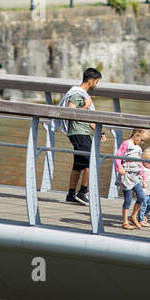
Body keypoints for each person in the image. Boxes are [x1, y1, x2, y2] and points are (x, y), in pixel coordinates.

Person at [62, 67, 106, 205]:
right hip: (78, 132)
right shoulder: (77, 94)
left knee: (79, 165)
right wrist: (86, 106)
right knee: (91, 161)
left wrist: (99, 132)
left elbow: (88, 120)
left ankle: (71, 194)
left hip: (83, 132)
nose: (96, 85)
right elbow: (70, 112)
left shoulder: (84, 95)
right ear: (91, 81)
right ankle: (82, 192)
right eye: (96, 82)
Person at [114, 128, 150, 229]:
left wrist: (143, 178)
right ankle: (125, 221)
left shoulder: (138, 148)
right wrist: (119, 167)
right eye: (142, 140)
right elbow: (118, 156)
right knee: (128, 199)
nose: (142, 142)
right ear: (136, 134)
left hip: (136, 176)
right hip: (126, 175)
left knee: (141, 197)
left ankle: (133, 216)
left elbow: (139, 163)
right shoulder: (126, 144)